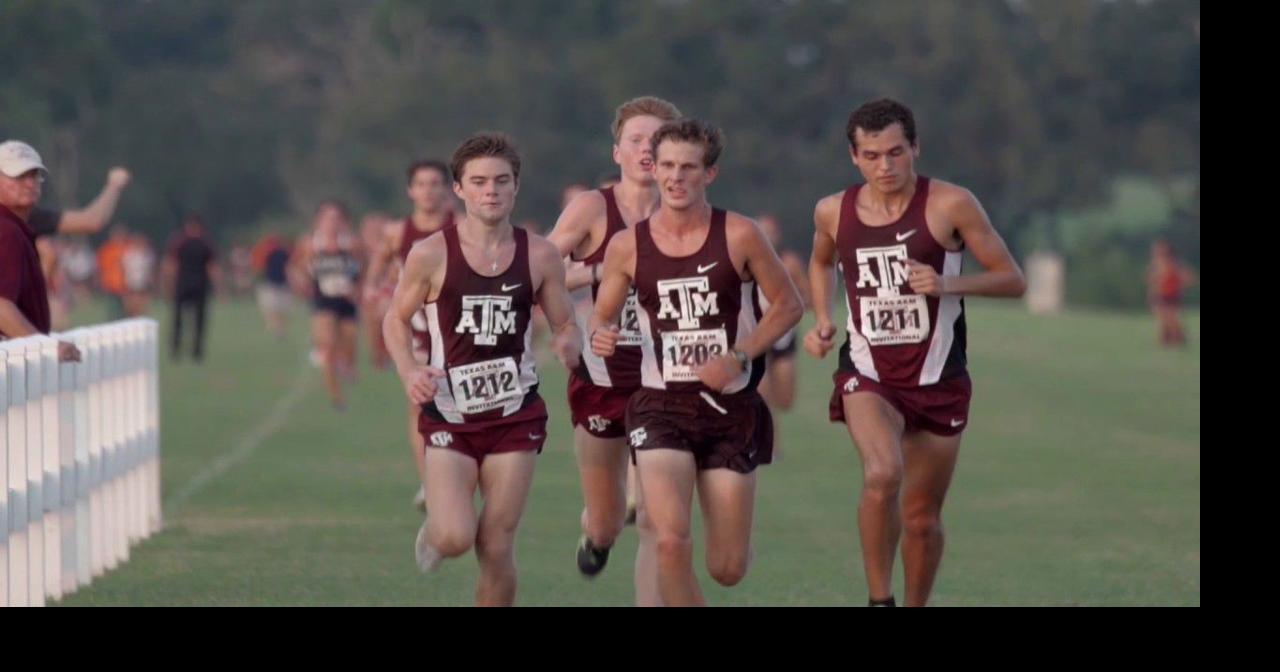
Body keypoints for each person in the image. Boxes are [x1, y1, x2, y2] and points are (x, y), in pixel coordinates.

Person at [805, 99, 1026, 606]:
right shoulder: (831, 210)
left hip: (939, 378)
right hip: (868, 374)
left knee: (921, 519)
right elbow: (821, 263)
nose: (885, 166)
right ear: (854, 157)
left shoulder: (950, 204)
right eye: (872, 155)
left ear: (915, 148)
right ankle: (878, 600)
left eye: (896, 153)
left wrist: (947, 283)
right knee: (882, 473)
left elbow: (1013, 279)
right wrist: (822, 318)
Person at [589, 118, 803, 606]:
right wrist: (601, 335)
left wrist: (738, 355)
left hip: (731, 410)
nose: (676, 177)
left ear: (710, 174)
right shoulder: (628, 245)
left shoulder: (741, 234)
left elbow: (789, 304)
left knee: (726, 568)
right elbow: (601, 318)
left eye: (689, 167)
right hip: (659, 406)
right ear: (653, 169)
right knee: (667, 539)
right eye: (666, 166)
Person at [384, 133, 581, 606]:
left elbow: (563, 320)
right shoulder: (431, 253)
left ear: (516, 187)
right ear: (459, 189)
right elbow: (393, 318)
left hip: (515, 415)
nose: (491, 190)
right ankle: (435, 531)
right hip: (450, 413)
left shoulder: (539, 254)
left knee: (495, 546)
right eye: (479, 182)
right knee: (455, 537)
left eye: (501, 181)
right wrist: (410, 370)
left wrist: (569, 342)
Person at [545, 96, 681, 603]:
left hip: (667, 381)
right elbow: (539, 271)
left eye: (658, 141)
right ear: (617, 152)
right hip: (601, 379)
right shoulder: (592, 209)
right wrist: (602, 276)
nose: (647, 150)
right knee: (607, 522)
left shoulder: (691, 213)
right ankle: (597, 536)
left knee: (655, 517)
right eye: (637, 141)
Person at [0, 139, 81, 361]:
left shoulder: (17, 228)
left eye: (34, 175)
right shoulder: (6, 231)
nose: (29, 183)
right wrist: (46, 346)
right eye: (18, 176)